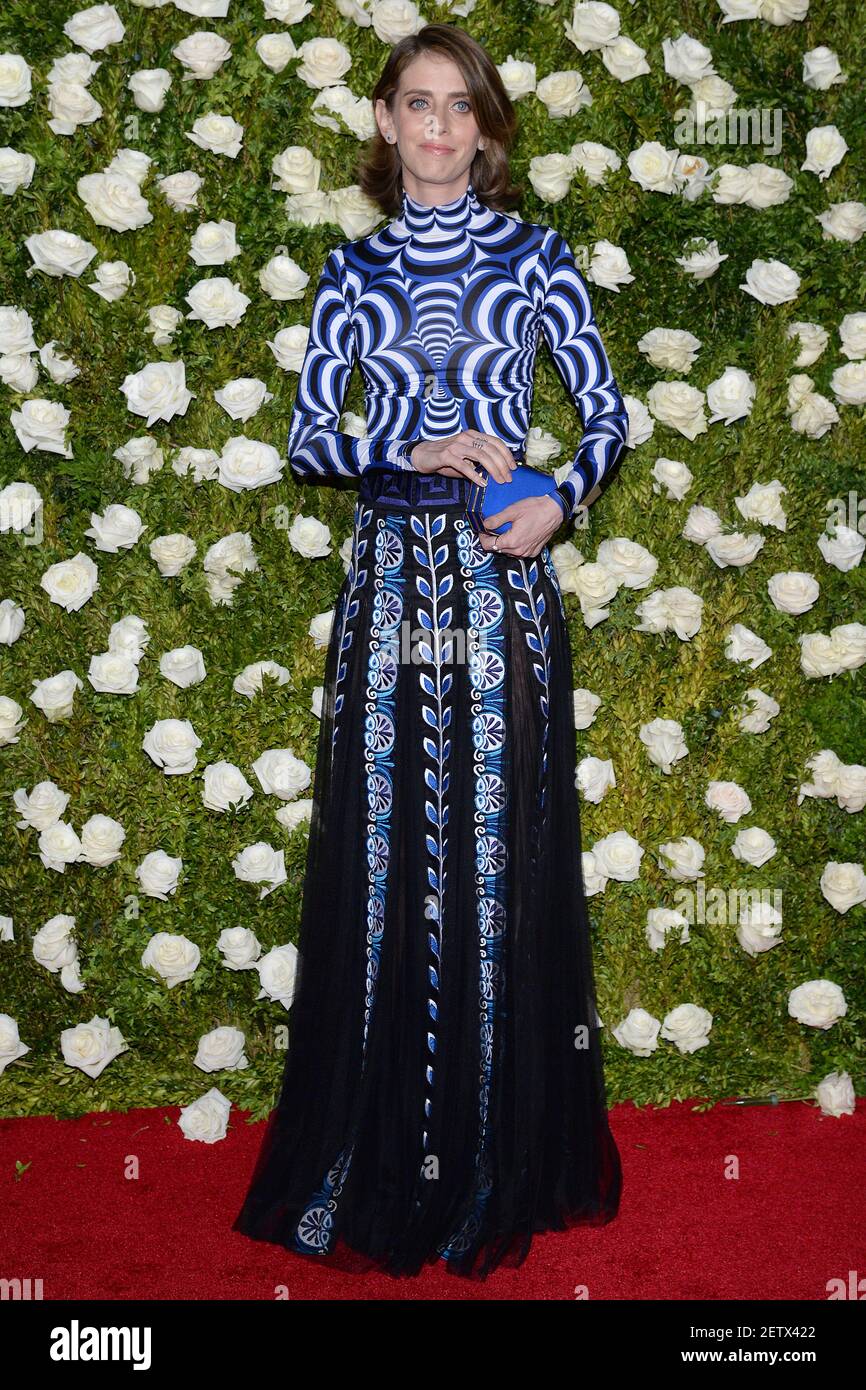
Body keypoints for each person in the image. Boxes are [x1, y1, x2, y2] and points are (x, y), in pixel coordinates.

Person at [232, 22, 627, 1282]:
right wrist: (401, 454)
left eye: (461, 107)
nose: (440, 127)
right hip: (392, 586)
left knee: (499, 855)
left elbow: (607, 412)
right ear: (387, 124)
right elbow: (308, 437)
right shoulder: (350, 275)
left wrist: (558, 493)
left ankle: (500, 1157)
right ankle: (384, 1148)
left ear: (487, 128)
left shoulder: (537, 259)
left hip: (502, 580)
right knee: (386, 857)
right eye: (419, 104)